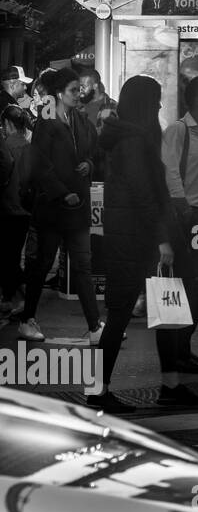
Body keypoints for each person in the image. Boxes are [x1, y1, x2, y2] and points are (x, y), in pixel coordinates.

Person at [96, 75, 198, 412]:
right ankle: (97, 390)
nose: (160, 105)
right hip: (135, 241)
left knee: (166, 313)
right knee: (120, 316)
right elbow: (144, 196)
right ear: (144, 103)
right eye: (155, 99)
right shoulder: (133, 142)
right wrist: (162, 242)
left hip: (136, 238)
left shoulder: (134, 138)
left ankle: (170, 386)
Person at [21, 67, 102, 342]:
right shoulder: (48, 118)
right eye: (73, 90)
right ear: (59, 93)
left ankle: (94, 327)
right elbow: (40, 162)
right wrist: (60, 191)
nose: (78, 94)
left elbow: (94, 151)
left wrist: (88, 164)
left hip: (76, 206)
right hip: (54, 208)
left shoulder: (79, 119)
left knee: (83, 266)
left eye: (79, 89)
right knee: (43, 263)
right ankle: (27, 319)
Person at [161, 75, 198, 374]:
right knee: (192, 284)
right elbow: (170, 170)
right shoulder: (179, 130)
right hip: (189, 217)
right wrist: (183, 207)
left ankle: (183, 350)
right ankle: (178, 353)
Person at [0, 105, 32, 322]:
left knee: (7, 258)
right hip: (26, 209)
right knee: (11, 255)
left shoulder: (7, 145)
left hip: (9, 208)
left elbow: (6, 166)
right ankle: (10, 299)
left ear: (8, 124)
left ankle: (22, 297)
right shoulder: (29, 146)